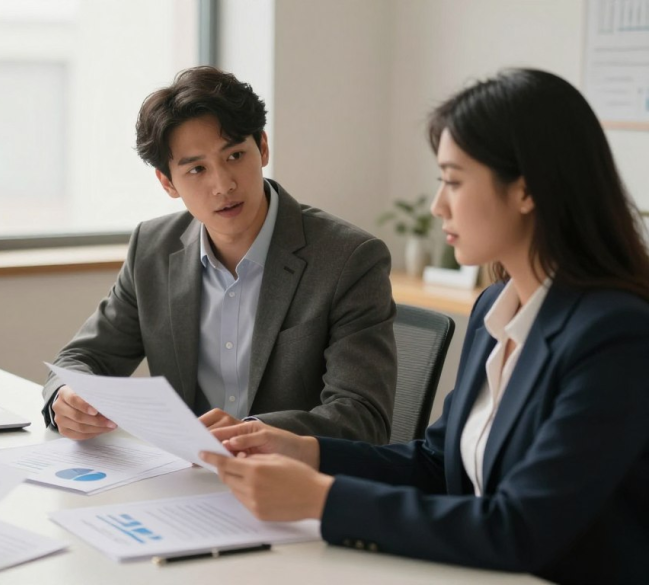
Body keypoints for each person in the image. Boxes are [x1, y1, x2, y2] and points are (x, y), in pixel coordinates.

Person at [200, 69, 649, 584]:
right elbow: (441, 464)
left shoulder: (616, 335)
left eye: (454, 181)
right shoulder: (495, 308)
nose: (438, 205)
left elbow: (521, 528)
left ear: (525, 190)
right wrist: (307, 451)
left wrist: (322, 499)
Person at [42, 66, 397, 444]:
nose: (223, 185)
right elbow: (82, 359)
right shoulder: (153, 248)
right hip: (187, 481)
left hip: (293, 486)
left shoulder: (349, 259)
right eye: (196, 169)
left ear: (262, 148)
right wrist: (66, 398)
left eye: (235, 156)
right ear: (167, 183)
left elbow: (362, 417)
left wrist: (250, 433)